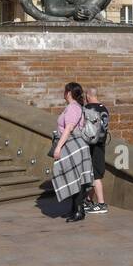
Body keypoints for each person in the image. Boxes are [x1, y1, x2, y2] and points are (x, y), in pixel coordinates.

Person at [50, 82, 96, 222]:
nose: (63, 93)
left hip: (74, 146)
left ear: (69, 93)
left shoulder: (73, 108)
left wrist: (58, 147)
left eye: (65, 91)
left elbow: (69, 128)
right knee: (74, 178)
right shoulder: (74, 107)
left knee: (75, 179)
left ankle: (79, 211)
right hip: (74, 146)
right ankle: (75, 209)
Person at [83, 88, 110, 214]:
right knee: (94, 172)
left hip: (91, 144)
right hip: (102, 143)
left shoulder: (87, 108)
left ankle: (101, 204)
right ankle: (88, 200)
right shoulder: (104, 108)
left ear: (88, 96)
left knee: (96, 174)